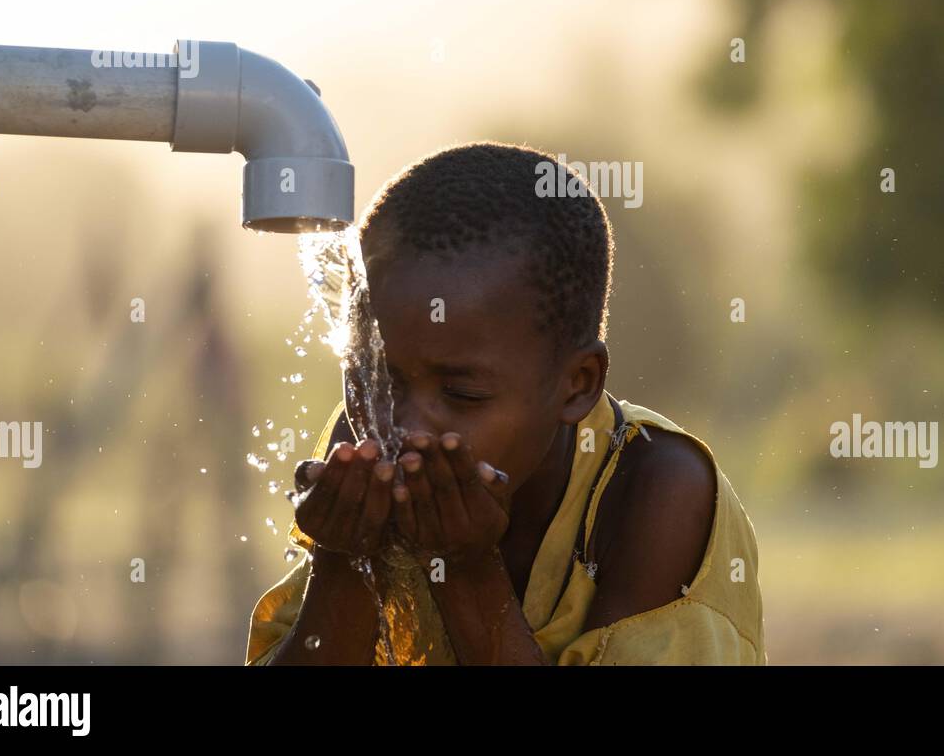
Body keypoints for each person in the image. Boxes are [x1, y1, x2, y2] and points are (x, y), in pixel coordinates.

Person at [245, 142, 765, 665]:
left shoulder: (655, 493)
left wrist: (467, 569)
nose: (402, 427)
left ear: (577, 384)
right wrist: (344, 560)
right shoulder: (360, 443)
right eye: (374, 379)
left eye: (463, 395)